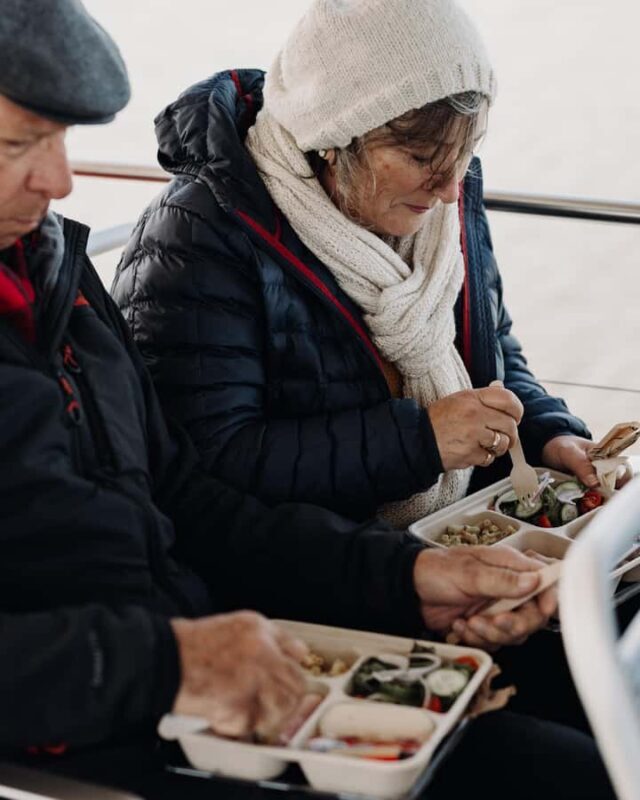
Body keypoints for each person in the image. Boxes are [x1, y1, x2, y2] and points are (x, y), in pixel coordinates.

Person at [0, 2, 616, 799]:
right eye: (20, 144)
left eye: (61, 141)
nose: (62, 180)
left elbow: (191, 499)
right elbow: (226, 461)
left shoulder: (56, 271)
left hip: (225, 650)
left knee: (592, 737)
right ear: (338, 137)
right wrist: (173, 664)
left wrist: (408, 579)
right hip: (99, 734)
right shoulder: (195, 241)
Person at [112, 0, 597, 529]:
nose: (451, 188)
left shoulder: (440, 206)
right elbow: (212, 462)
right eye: (422, 158)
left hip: (459, 524)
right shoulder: (198, 236)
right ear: (334, 138)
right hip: (317, 567)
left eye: (465, 152)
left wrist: (549, 433)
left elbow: (491, 348)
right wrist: (421, 441)